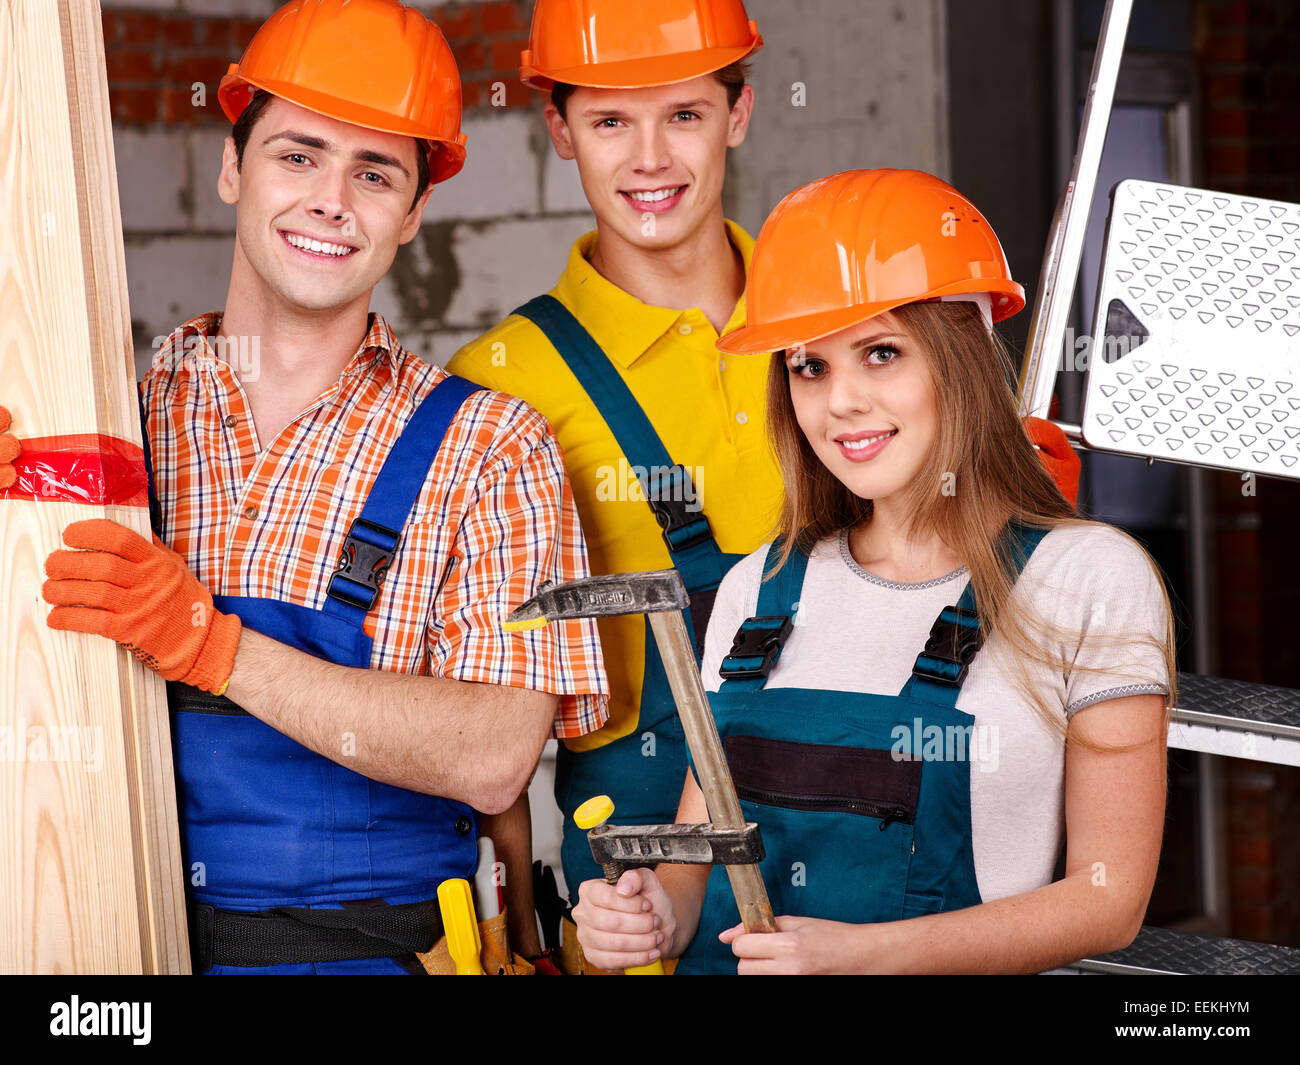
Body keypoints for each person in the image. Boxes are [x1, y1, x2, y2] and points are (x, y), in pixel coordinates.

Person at [449, 3, 1085, 969]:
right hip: (634, 850)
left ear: (739, 114)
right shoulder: (500, 381)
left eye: (685, 115)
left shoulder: (838, 323)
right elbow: (488, 698)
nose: (650, 158)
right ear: (558, 129)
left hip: (863, 812)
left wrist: (1004, 487)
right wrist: (520, 938)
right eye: (611, 121)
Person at [21, 0, 608, 975]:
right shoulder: (113, 430)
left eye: (374, 172)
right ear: (230, 167)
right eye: (298, 154)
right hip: (119, 944)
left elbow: (494, 754)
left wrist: (213, 648)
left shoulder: (491, 451)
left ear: (414, 212)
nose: (332, 199)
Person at [571, 169, 1175, 975]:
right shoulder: (758, 587)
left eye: (880, 353)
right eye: (808, 367)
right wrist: (652, 915)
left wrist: (866, 957)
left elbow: (1108, 900)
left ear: (960, 355)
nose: (840, 401)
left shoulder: (1088, 580)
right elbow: (697, 871)